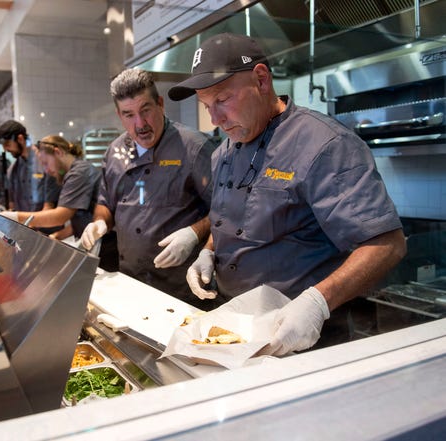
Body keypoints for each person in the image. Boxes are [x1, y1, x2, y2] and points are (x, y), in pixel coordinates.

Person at [167, 33, 407, 355]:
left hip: (303, 338)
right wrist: (208, 251)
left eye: (223, 100)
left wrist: (318, 302)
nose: (215, 119)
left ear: (262, 79)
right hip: (233, 330)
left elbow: (386, 244)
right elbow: (229, 217)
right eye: (206, 106)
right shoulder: (222, 152)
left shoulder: (325, 145)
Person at [81, 68, 217, 308]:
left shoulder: (194, 148)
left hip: (182, 290)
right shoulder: (114, 152)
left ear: (160, 104)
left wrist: (193, 233)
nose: (140, 123)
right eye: (129, 114)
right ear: (119, 115)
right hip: (130, 282)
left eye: (145, 110)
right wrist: (100, 222)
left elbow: (225, 210)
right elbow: (105, 203)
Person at [0, 135, 100, 240]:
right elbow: (82, 220)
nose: (46, 170)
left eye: (46, 163)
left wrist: (14, 217)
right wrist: (55, 236)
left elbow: (60, 216)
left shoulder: (79, 172)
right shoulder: (69, 173)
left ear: (58, 152)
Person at [0, 120, 62, 234]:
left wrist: (31, 226)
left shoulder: (45, 163)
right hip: (25, 232)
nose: (6, 149)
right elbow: (12, 205)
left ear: (20, 139)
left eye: (7, 144)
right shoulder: (13, 169)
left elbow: (49, 206)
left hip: (49, 233)